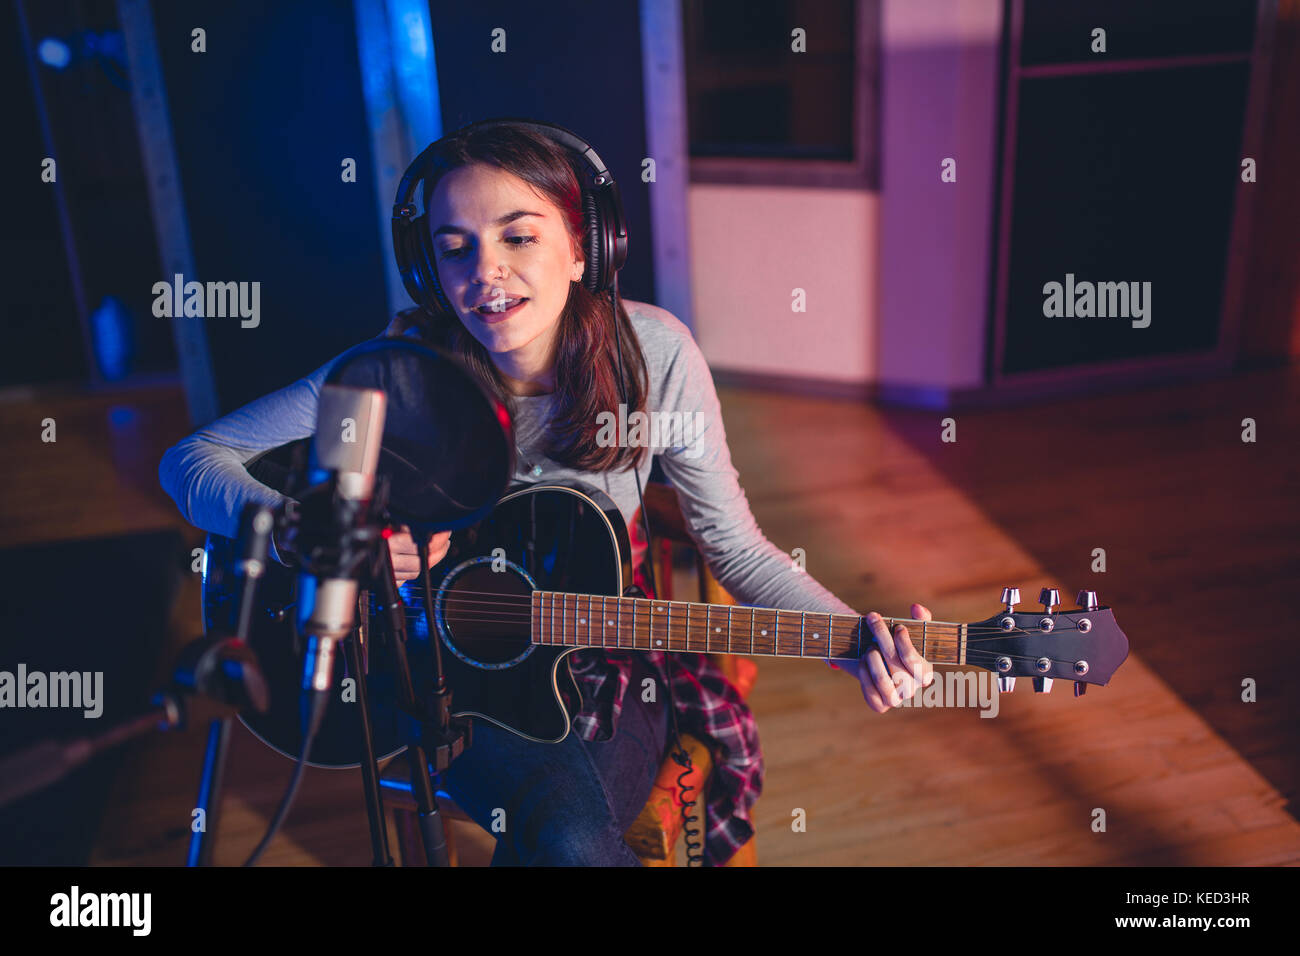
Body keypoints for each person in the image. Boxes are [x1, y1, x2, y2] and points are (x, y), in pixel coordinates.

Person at [159, 120, 934, 866]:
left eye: (518, 236)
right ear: (429, 271)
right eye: (453, 249)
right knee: (567, 843)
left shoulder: (656, 357)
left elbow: (732, 543)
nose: (483, 272)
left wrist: (850, 637)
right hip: (431, 674)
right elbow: (194, 459)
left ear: (583, 249)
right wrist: (312, 529)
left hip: (595, 661)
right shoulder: (399, 367)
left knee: (565, 844)